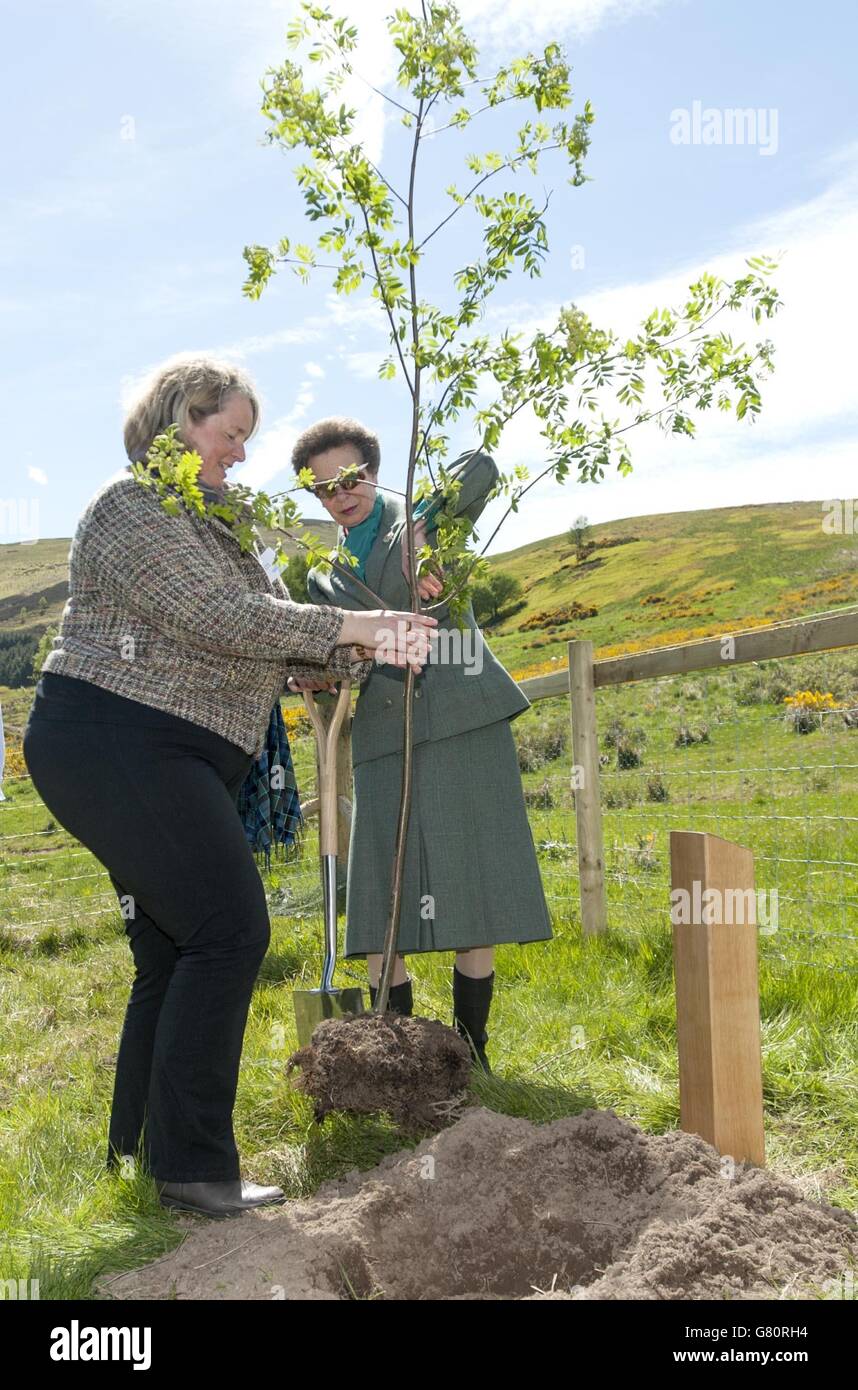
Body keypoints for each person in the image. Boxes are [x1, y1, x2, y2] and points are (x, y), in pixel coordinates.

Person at [21, 358, 436, 1219]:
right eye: (232, 433)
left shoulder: (215, 524)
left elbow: (265, 637)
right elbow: (219, 617)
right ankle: (196, 1168)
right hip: (116, 737)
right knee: (228, 930)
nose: (242, 454)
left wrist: (349, 651)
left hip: (163, 749)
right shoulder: (134, 507)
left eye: (246, 435)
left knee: (172, 951)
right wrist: (357, 625)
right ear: (180, 419)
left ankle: (139, 1154)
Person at [290, 417, 553, 1072]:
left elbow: (483, 465)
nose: (341, 493)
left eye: (350, 477)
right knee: (381, 909)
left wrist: (422, 526)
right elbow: (343, 664)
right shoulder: (324, 577)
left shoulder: (426, 518)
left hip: (461, 722)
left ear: (373, 470)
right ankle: (401, 1066)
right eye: (324, 488)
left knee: (471, 895)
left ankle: (471, 1056)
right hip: (380, 741)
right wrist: (322, 671)